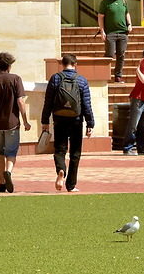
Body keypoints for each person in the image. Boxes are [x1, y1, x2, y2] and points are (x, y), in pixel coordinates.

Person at [40, 53, 94, 192]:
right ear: (75, 64)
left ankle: (61, 170)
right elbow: (86, 104)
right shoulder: (81, 80)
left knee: (59, 150)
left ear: (62, 64)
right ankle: (71, 185)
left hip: (59, 119)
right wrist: (90, 123)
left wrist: (45, 120)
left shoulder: (55, 78)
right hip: (76, 120)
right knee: (75, 153)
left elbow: (48, 102)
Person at [0, 51, 31, 193]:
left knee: (0, 152)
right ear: (9, 66)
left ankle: (2, 184)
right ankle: (8, 172)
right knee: (11, 152)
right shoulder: (15, 79)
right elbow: (20, 101)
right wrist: (25, 120)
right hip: (12, 123)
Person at [95, 0, 132, 83]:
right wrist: (102, 31)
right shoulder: (105, 2)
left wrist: (129, 24)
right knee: (109, 55)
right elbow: (100, 17)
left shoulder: (123, 1)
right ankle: (103, 75)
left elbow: (127, 13)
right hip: (110, 33)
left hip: (123, 33)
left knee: (121, 55)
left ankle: (118, 76)